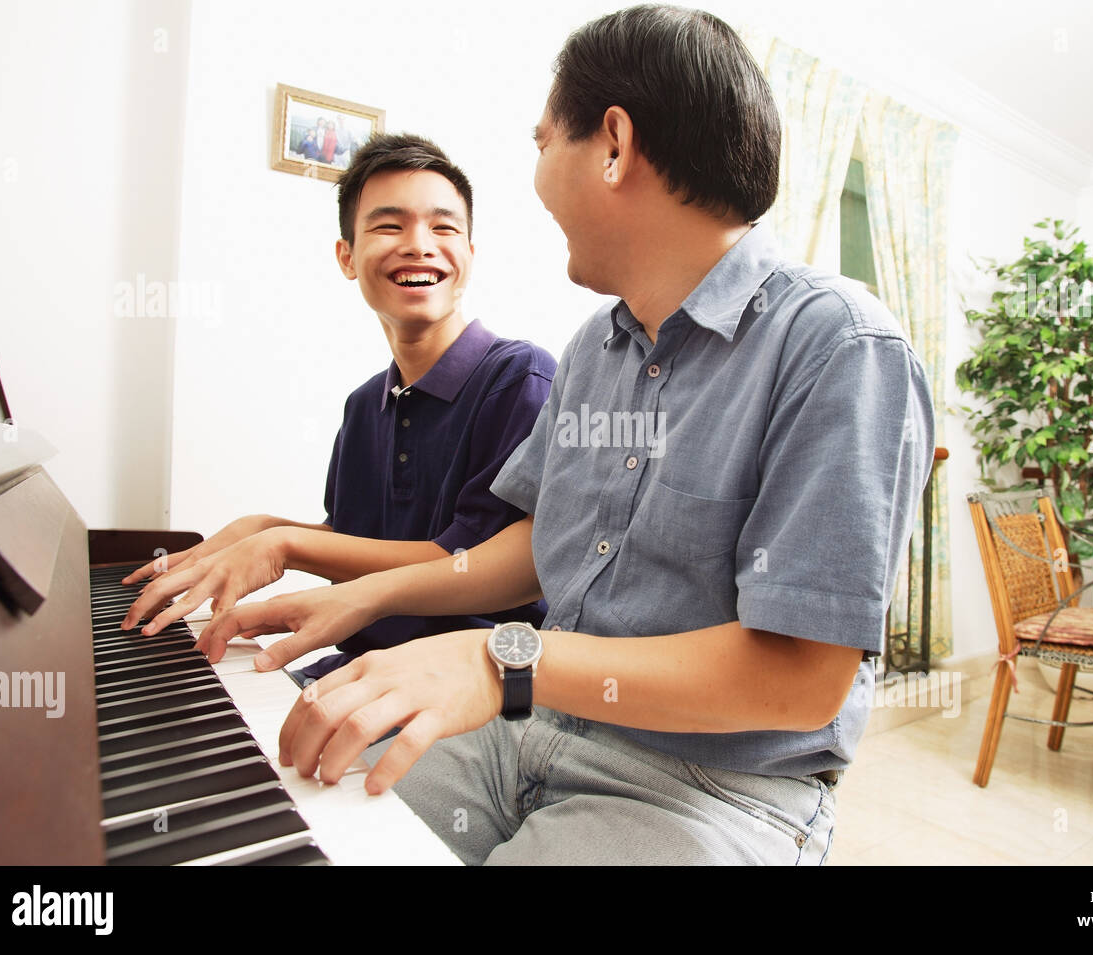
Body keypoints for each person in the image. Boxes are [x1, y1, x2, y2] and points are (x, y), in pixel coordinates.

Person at [197, 5, 934, 865]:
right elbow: (539, 549)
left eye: (543, 142)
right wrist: (370, 595)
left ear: (613, 144)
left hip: (709, 784)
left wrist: (499, 657)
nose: (537, 177)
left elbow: (799, 677)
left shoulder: (839, 346)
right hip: (532, 728)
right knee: (291, 828)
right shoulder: (597, 346)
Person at [121, 134, 554, 683]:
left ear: (470, 254)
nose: (419, 245)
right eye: (389, 226)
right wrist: (262, 528)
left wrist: (285, 545)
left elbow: (470, 559)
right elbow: (353, 539)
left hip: (469, 684)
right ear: (346, 257)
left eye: (443, 228)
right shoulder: (364, 404)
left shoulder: (519, 377)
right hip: (356, 666)